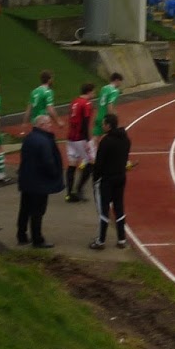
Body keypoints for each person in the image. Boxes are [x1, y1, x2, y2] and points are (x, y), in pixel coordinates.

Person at [15, 114, 64, 248]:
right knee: (37, 211)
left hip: (27, 179)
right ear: (42, 125)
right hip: (39, 182)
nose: (51, 126)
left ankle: (22, 235)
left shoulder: (29, 138)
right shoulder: (44, 141)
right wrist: (54, 173)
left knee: (25, 208)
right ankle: (38, 239)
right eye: (48, 124)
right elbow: (48, 161)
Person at [89, 112, 133, 250]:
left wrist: (95, 178)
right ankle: (121, 239)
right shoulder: (126, 140)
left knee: (104, 209)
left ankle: (101, 240)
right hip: (120, 177)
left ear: (108, 125)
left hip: (107, 179)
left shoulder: (106, 141)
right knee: (119, 208)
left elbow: (100, 163)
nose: (102, 126)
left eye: (104, 124)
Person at [63, 82, 96, 201]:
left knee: (72, 164)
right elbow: (86, 122)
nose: (94, 93)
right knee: (91, 162)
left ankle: (69, 193)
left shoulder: (74, 101)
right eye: (93, 91)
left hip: (70, 137)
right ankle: (79, 189)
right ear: (89, 91)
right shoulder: (86, 104)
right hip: (81, 138)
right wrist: (87, 140)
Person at [93, 72, 123, 145]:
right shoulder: (114, 91)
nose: (120, 84)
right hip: (106, 118)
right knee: (111, 137)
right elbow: (110, 104)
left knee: (96, 138)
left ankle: (94, 153)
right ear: (117, 80)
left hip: (99, 115)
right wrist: (111, 117)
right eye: (120, 81)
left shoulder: (104, 88)